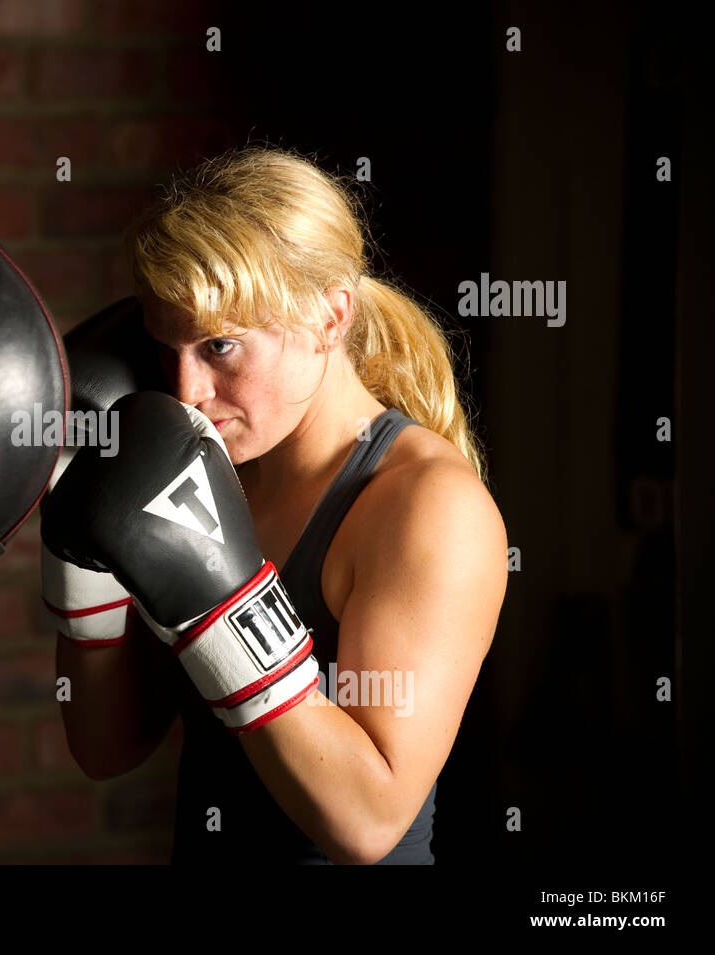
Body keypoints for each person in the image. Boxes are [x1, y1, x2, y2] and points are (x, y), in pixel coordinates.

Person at [40, 145, 508, 865]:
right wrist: (81, 563)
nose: (187, 391)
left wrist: (226, 614)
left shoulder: (428, 509)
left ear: (331, 316)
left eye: (220, 346)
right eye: (169, 350)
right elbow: (106, 747)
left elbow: (369, 820)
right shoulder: (211, 466)